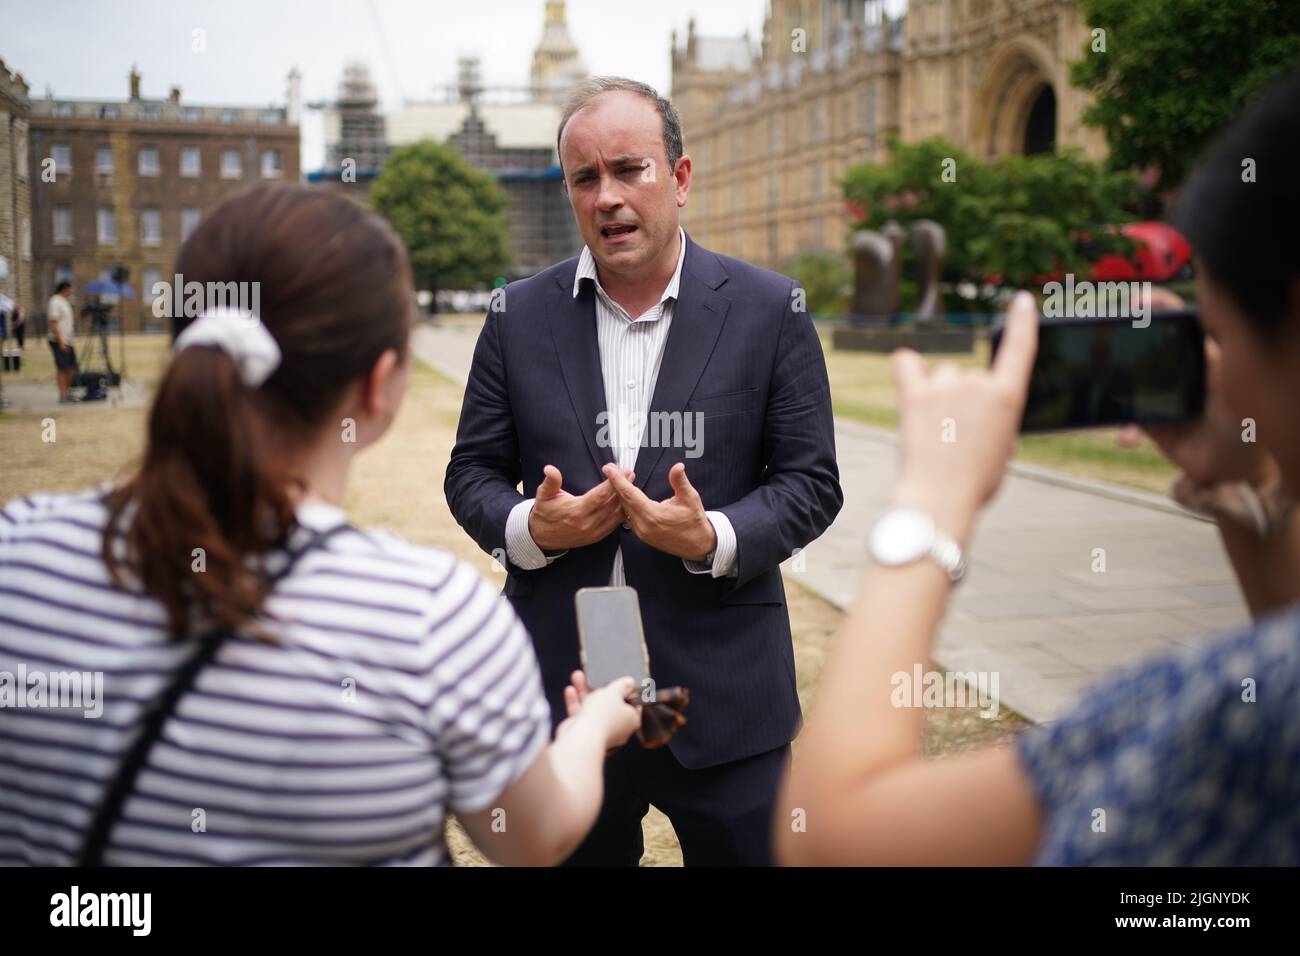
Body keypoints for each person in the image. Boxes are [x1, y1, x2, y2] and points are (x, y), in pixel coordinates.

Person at [0, 182, 640, 866]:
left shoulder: (18, 553)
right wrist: (593, 725)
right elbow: (534, 838)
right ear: (379, 385)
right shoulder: (427, 620)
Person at [775, 68, 1300, 866]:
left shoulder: (1231, 711)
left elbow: (833, 838)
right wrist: (1254, 497)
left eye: (1224, 332)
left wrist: (933, 500)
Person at [444, 76, 843, 866]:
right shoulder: (515, 317)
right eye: (586, 178)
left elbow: (811, 482)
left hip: (727, 695)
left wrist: (716, 536)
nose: (609, 198)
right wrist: (530, 527)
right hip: (566, 696)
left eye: (631, 170)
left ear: (681, 178)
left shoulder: (771, 311)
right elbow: (472, 474)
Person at [46, 282, 77, 402]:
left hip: (68, 340)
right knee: (62, 368)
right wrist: (60, 341)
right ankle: (62, 395)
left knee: (72, 367)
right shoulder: (55, 301)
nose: (71, 292)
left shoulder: (65, 302)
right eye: (69, 289)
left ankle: (67, 391)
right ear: (64, 289)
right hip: (58, 340)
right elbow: (53, 322)